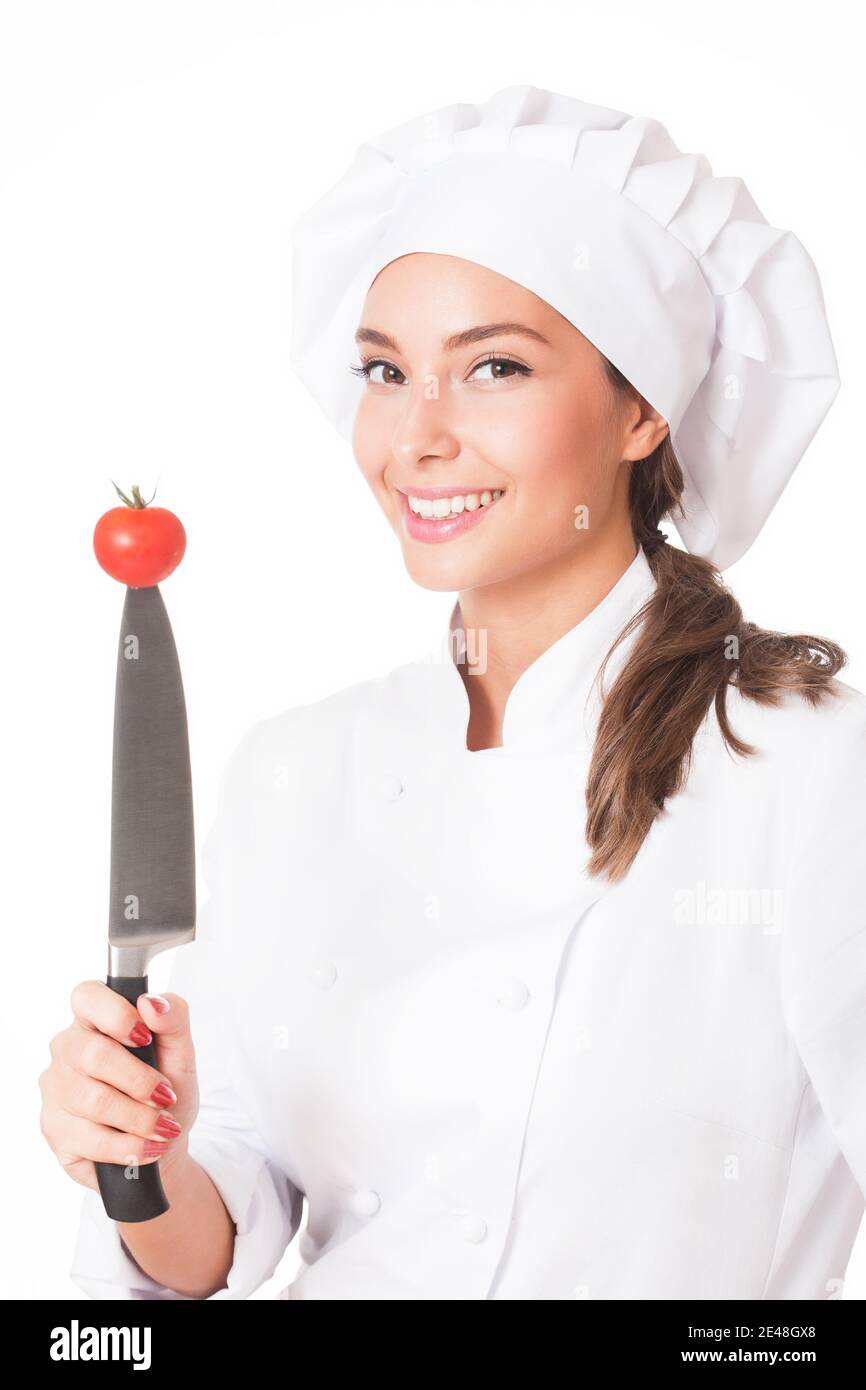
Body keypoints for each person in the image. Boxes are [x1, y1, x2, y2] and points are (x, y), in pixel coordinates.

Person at [41, 84, 866, 1300]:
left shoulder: (802, 764)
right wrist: (137, 1154)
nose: (414, 436)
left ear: (640, 409)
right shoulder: (296, 764)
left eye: (491, 367)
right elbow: (233, 1209)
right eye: (385, 369)